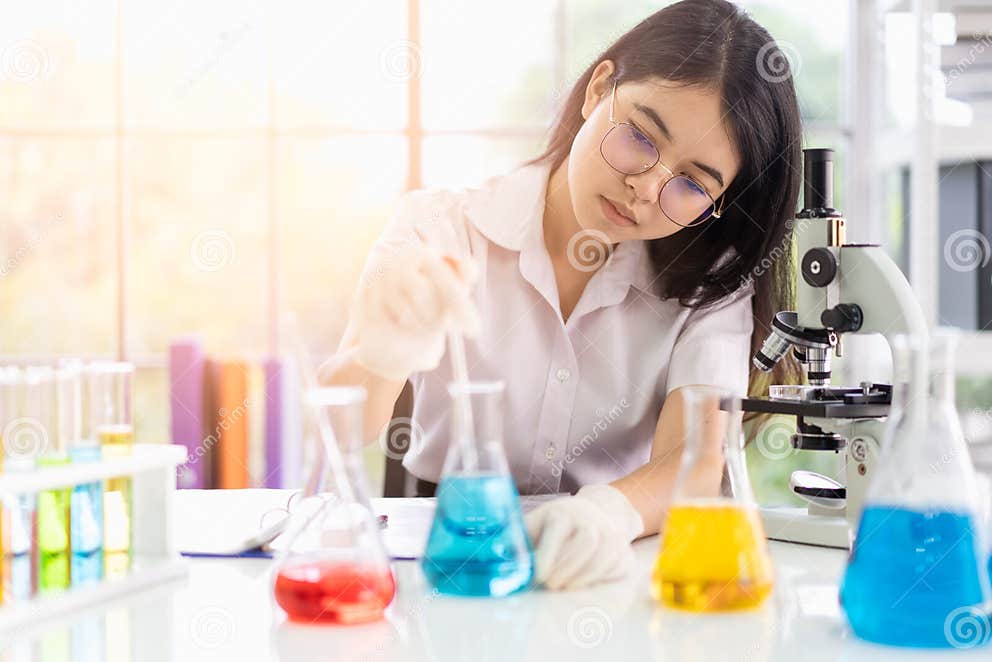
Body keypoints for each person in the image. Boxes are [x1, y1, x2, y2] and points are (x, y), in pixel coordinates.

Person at [321, 0, 801, 590]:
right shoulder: (440, 226)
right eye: (640, 138)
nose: (644, 189)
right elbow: (341, 428)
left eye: (691, 184)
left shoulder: (712, 280)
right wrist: (382, 355)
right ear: (599, 88)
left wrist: (607, 513)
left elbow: (700, 454)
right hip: (446, 550)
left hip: (608, 556)